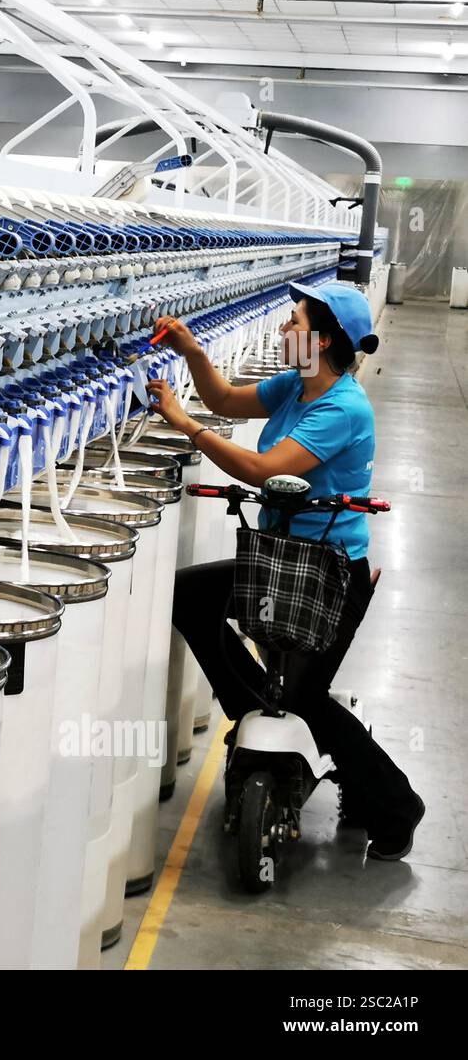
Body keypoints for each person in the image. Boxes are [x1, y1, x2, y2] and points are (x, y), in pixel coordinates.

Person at [145, 280, 424, 860]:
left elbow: (263, 468)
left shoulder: (342, 407)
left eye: (293, 323)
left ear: (321, 342)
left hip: (328, 575)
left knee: (307, 700)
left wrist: (184, 424)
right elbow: (225, 400)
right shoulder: (296, 387)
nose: (282, 330)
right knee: (190, 598)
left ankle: (397, 806)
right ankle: (254, 712)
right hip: (278, 562)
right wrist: (193, 354)